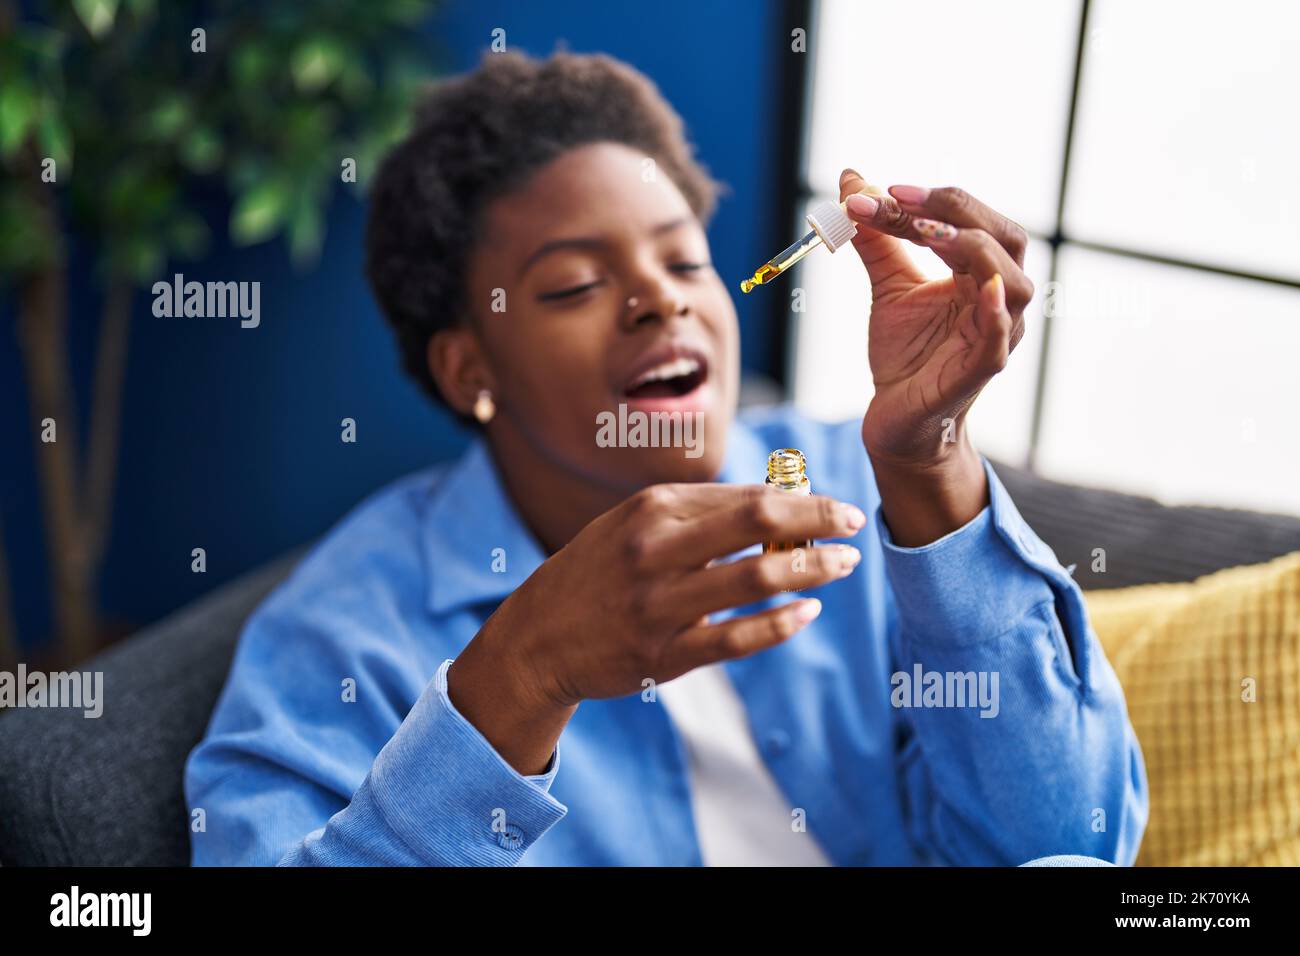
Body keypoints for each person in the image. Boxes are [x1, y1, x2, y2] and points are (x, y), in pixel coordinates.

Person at [185, 49, 1148, 866]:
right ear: (468, 365)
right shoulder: (341, 638)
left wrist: (930, 466)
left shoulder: (856, 486)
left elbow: (1071, 840)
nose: (661, 300)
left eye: (685, 262)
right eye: (573, 286)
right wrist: (523, 678)